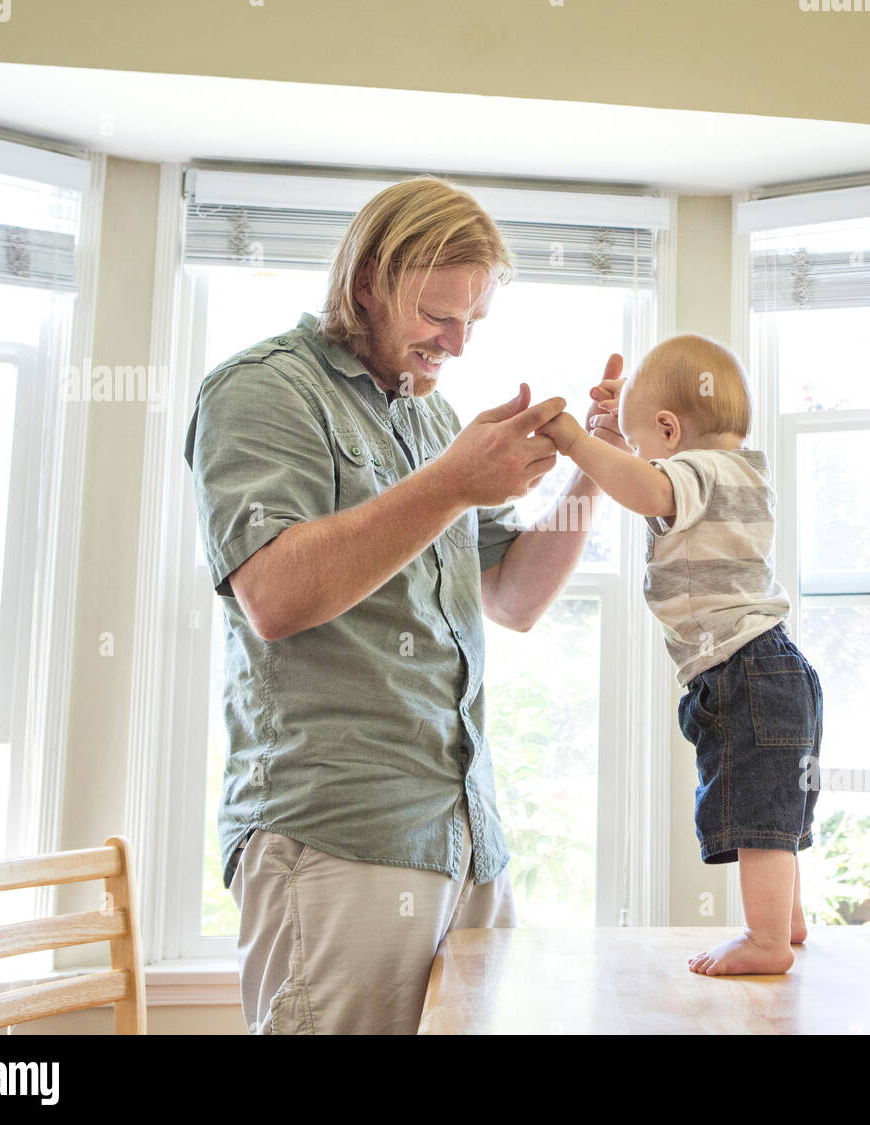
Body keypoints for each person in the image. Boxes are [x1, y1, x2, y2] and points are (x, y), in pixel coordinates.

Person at [183, 175, 627, 1033]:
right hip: (337, 832)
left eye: (472, 321)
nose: (456, 344)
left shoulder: (432, 421)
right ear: (366, 284)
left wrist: (592, 468)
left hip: (464, 837)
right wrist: (455, 483)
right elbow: (273, 594)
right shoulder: (263, 390)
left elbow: (515, 596)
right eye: (437, 315)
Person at [538, 333, 823, 976]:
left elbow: (648, 490)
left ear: (670, 430)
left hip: (744, 667)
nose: (639, 460)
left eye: (644, 445)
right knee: (775, 808)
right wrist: (624, 428)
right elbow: (651, 473)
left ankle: (765, 939)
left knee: (755, 813)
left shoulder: (693, 472)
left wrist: (579, 442)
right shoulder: (743, 470)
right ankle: (787, 920)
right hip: (775, 666)